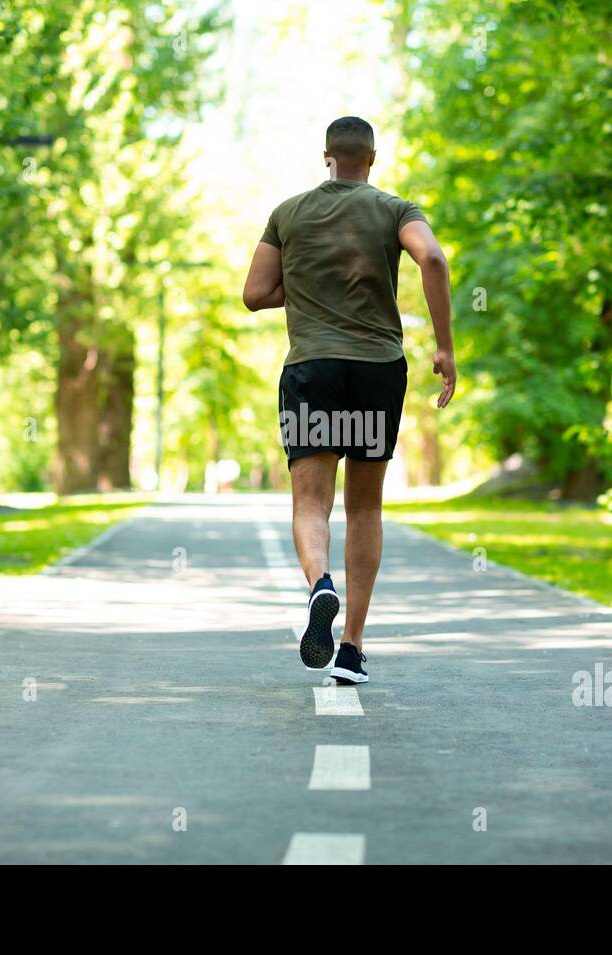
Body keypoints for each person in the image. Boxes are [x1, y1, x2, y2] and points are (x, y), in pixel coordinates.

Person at [242, 115, 455, 685]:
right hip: (376, 370)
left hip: (313, 369)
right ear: (373, 158)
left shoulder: (288, 213)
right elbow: (432, 259)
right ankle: (353, 649)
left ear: (326, 157)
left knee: (312, 505)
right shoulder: (394, 209)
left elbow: (255, 294)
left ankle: (320, 585)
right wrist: (445, 349)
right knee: (365, 507)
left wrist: (311, 281)